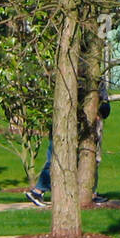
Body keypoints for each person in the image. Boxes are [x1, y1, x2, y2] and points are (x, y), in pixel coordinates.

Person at [26, 80, 111, 208]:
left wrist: (99, 112)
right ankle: (38, 190)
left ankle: (91, 193)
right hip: (67, 122)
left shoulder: (95, 79)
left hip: (88, 122)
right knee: (58, 157)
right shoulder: (67, 78)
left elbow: (105, 104)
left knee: (91, 157)